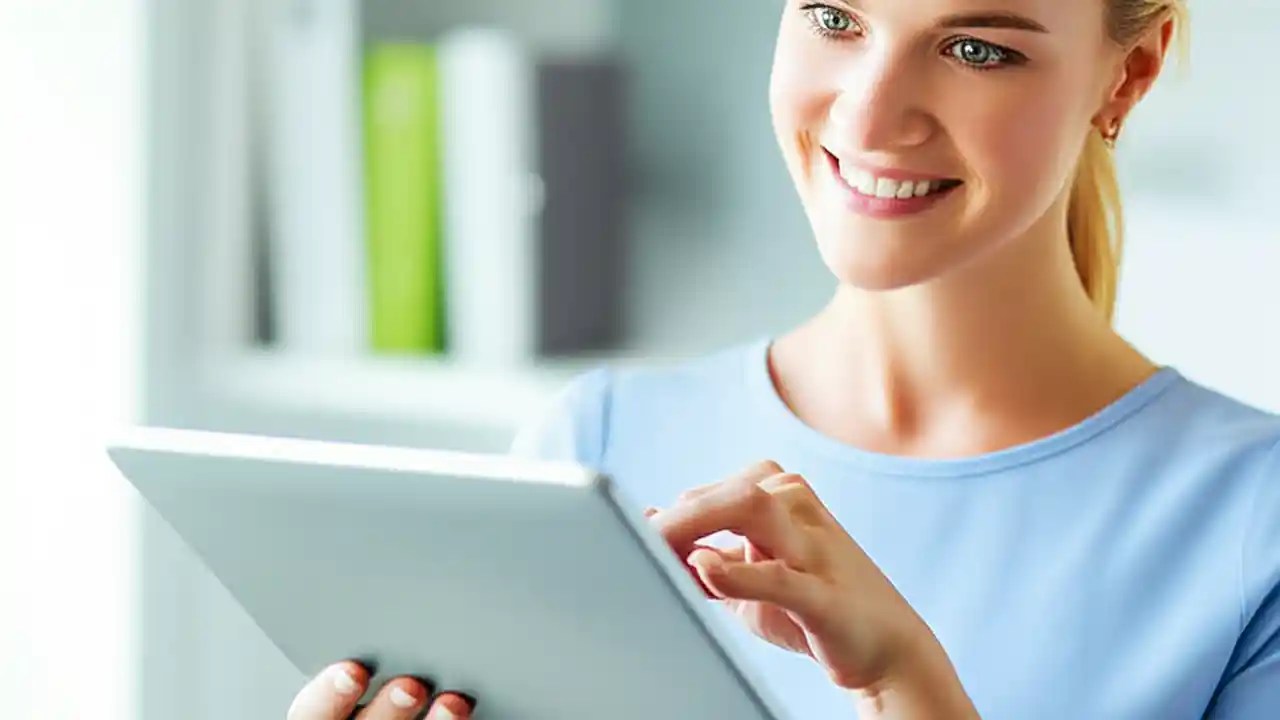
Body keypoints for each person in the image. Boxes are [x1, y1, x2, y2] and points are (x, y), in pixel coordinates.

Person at [287, 0, 1280, 718]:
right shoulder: (593, 439)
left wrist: (908, 686)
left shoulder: (1253, 521)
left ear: (1127, 73)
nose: (867, 116)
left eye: (975, 47)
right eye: (833, 19)